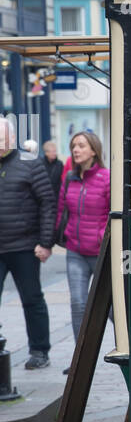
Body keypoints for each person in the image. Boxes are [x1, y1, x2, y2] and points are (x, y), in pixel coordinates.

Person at [0, 116, 56, 368]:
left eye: (2, 138)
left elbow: (47, 203)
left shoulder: (30, 163)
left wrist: (45, 242)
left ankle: (39, 351)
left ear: (12, 137)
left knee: (32, 299)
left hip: (24, 245)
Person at [55, 130, 110, 353]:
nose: (76, 150)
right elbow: (61, 210)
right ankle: (81, 359)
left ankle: (130, 349)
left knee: (113, 308)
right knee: (78, 304)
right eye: (73, 146)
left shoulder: (106, 178)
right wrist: (64, 233)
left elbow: (112, 213)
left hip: (99, 253)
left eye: (81, 145)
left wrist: (101, 237)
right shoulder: (70, 178)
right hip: (75, 251)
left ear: (94, 151)